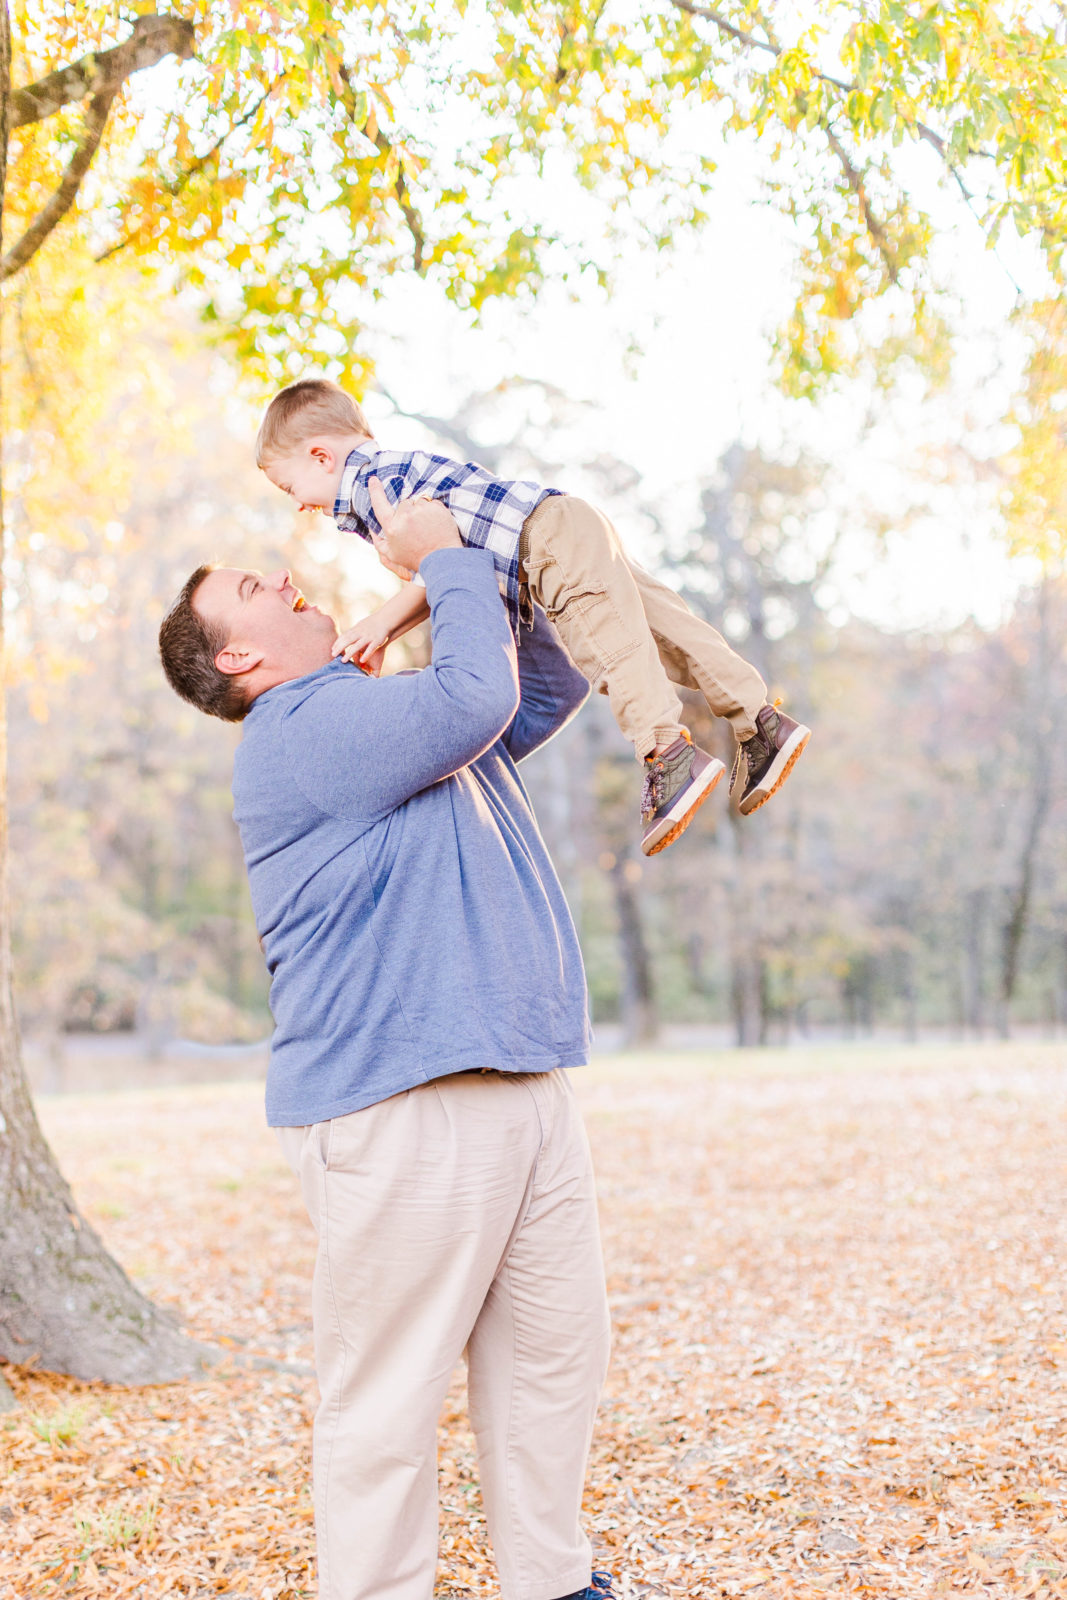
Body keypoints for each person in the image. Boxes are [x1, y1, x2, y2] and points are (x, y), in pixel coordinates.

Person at [158, 482, 616, 1600]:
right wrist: (439, 562)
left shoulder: (387, 714)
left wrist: (489, 562)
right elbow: (472, 700)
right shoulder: (301, 732)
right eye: (252, 590)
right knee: (387, 1401)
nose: (281, 574)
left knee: (551, 1363)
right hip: (398, 1106)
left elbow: (533, 679)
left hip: (519, 1081)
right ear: (238, 664)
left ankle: (551, 1585)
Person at [254, 377, 811, 858]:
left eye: (290, 487)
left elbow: (440, 565)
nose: (298, 502)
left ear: (322, 457)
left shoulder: (373, 486)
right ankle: (759, 721)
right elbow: (441, 573)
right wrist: (390, 628)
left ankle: (668, 752)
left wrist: (379, 624)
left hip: (543, 544)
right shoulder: (390, 468)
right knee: (666, 628)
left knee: (608, 644)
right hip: (560, 520)